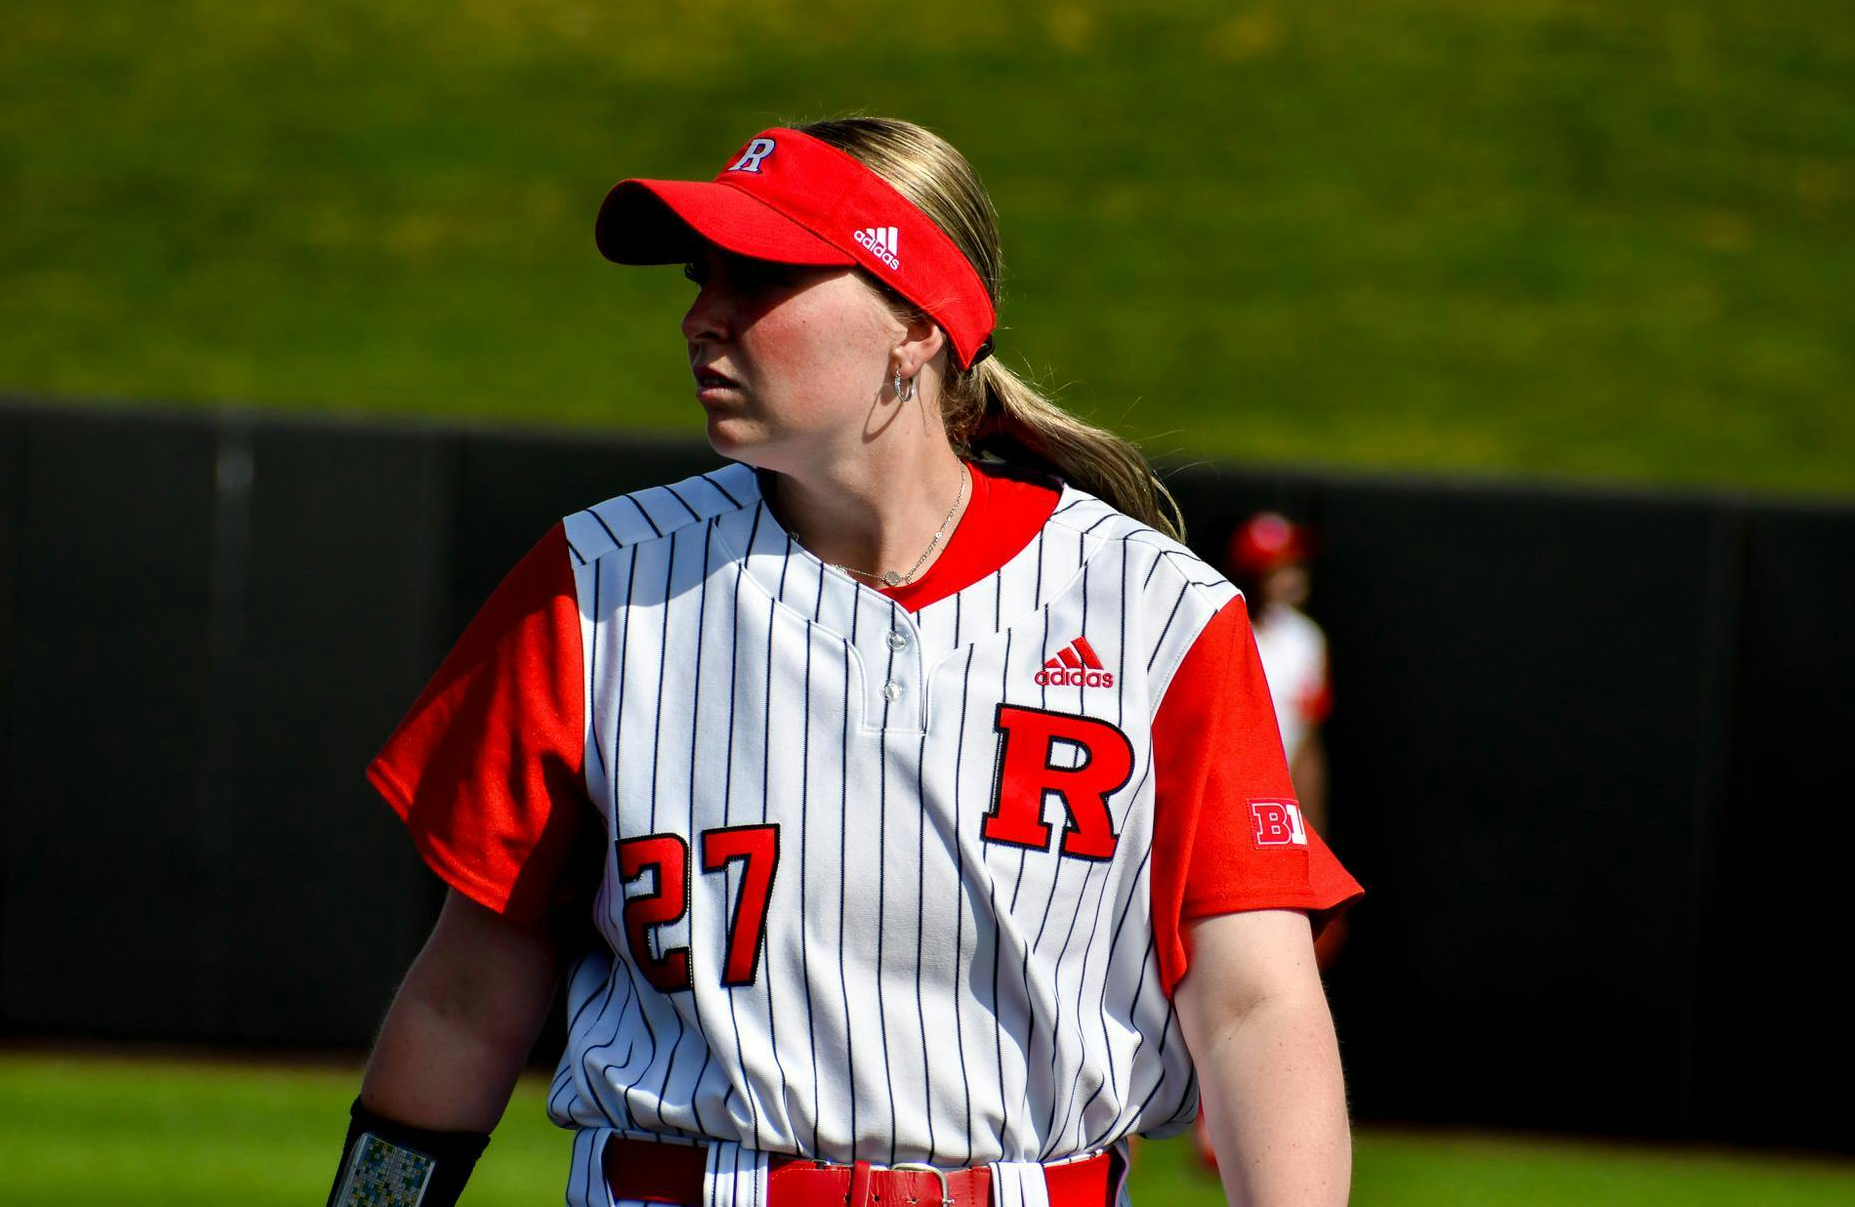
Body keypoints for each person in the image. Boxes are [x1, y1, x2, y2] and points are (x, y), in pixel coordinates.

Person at [323, 118, 1362, 1207]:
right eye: (700, 276)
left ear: (914, 324)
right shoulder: (597, 582)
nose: (699, 317)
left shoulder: (1156, 611)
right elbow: (465, 997)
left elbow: (1253, 1005)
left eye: (759, 277)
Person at [1226, 513, 1333, 838]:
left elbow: (1306, 741)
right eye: (1279, 568)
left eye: (1296, 565)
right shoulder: (1226, 630)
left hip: (1278, 807)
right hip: (1229, 800)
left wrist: (1313, 834)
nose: (1293, 577)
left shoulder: (1307, 638)